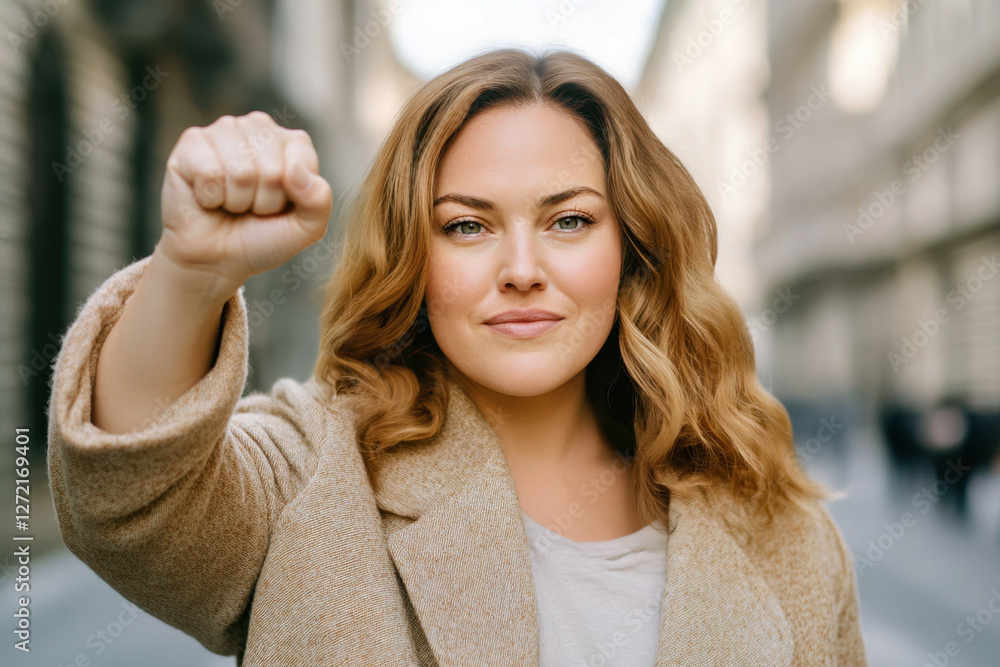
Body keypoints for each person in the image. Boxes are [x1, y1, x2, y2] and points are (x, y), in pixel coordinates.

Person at [47, 48, 868, 666]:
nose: (521, 267)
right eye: (468, 225)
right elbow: (131, 503)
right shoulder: (319, 469)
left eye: (569, 221)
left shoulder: (788, 539)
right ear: (416, 255)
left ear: (634, 248)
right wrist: (192, 271)